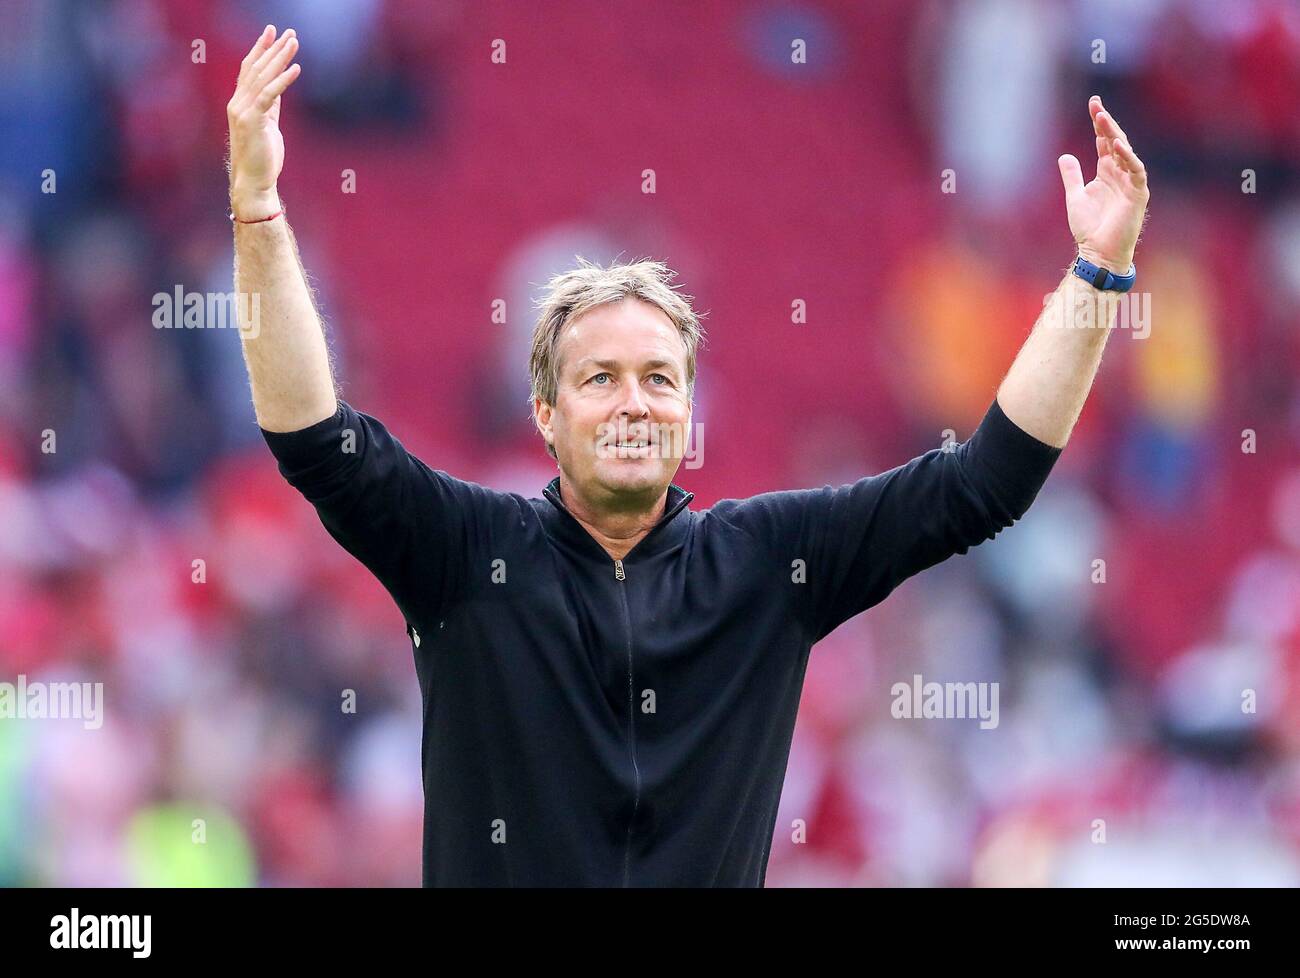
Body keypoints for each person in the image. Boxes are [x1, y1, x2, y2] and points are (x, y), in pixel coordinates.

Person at [227, 25, 1150, 886]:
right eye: (601, 379)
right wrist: (260, 215)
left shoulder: (766, 563)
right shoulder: (469, 550)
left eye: (660, 379)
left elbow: (989, 482)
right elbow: (310, 435)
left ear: (689, 410)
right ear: (544, 413)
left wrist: (1097, 274)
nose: (634, 401)